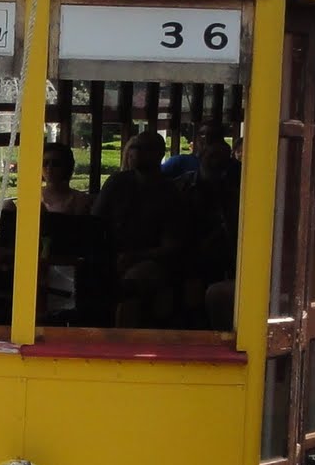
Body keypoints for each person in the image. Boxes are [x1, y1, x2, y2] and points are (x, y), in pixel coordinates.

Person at [93, 130, 187, 327]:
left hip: (152, 262)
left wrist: (133, 257)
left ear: (160, 154)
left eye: (145, 149)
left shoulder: (169, 193)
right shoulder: (116, 182)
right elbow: (94, 223)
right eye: (134, 147)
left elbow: (171, 247)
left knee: (130, 285)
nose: (136, 153)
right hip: (111, 255)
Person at [176, 138, 240, 329]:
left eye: (223, 158)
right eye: (212, 156)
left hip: (222, 257)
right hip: (183, 253)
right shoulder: (181, 186)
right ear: (201, 157)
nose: (217, 162)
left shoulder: (234, 192)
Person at [40, 141, 92, 215]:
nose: (49, 167)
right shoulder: (31, 195)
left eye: (55, 163)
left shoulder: (80, 200)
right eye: (45, 163)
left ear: (66, 166)